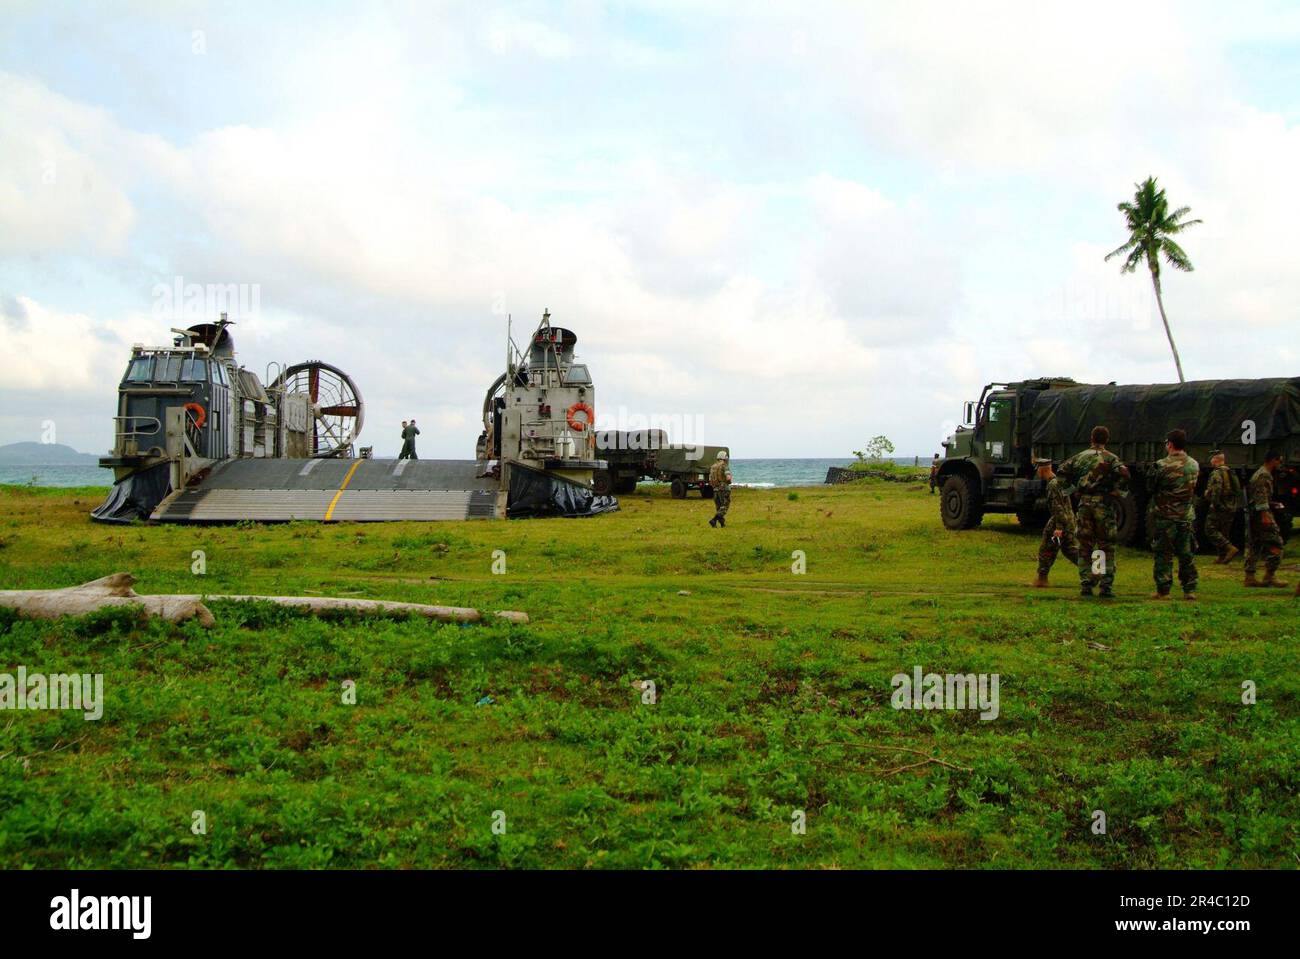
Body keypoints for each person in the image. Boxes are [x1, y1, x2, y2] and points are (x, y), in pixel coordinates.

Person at [1061, 425, 1130, 599]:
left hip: (1084, 505)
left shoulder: (1079, 457)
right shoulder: (1111, 458)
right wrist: (1118, 492)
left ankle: (1086, 584)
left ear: (1091, 439)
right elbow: (1125, 475)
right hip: (1103, 505)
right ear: (1107, 440)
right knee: (1105, 545)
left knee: (1085, 545)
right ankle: (1105, 587)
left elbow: (1061, 473)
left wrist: (1072, 491)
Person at [1147, 429, 1199, 600]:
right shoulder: (1194, 464)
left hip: (1166, 516)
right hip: (1186, 516)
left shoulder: (1161, 465)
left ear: (1169, 444)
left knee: (1163, 554)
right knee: (1186, 554)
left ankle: (1163, 590)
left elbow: (1150, 487)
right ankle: (1189, 590)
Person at [1032, 458, 1079, 587]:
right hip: (1069, 519)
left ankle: (1042, 579)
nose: (1037, 473)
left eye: (1037, 469)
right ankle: (1092, 568)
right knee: (1070, 550)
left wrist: (1058, 527)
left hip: (1060, 521)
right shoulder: (1060, 481)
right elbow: (1071, 494)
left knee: (1046, 548)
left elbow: (1057, 507)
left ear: (1042, 470)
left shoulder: (1052, 485)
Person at [1244, 450, 1288, 588]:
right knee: (1277, 544)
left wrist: (1272, 504)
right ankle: (1270, 575)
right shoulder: (1264, 475)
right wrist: (1265, 515)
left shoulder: (1262, 473)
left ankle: (1250, 577)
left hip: (1255, 514)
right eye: (1279, 460)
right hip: (1261, 515)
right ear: (1273, 460)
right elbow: (1260, 496)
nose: (1280, 464)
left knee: (1255, 544)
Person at [1202, 450, 1241, 564]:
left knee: (1210, 529)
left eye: (1211, 459)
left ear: (1215, 460)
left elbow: (1217, 490)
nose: (1210, 461)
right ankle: (1222, 556)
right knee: (1224, 531)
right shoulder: (1230, 471)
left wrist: (1215, 503)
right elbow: (1237, 489)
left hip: (1219, 506)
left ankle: (1229, 548)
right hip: (1230, 505)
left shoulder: (1216, 473)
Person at [708, 451, 732, 528]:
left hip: (715, 489)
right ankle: (713, 520)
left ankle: (722, 524)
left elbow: (710, 480)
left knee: (719, 508)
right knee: (725, 506)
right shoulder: (724, 465)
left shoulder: (713, 467)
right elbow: (728, 477)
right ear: (724, 458)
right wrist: (729, 481)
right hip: (724, 488)